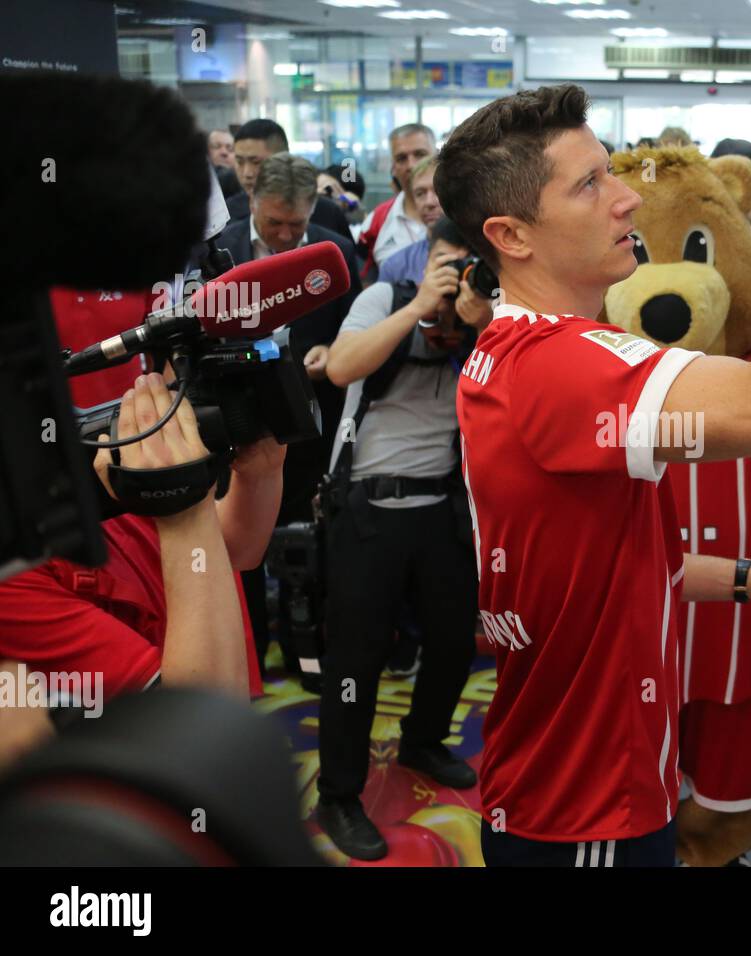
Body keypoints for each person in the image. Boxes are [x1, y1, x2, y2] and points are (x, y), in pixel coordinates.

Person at [434, 67, 751, 866]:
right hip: (587, 814)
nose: (625, 197)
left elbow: (602, 564)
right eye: (590, 185)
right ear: (512, 236)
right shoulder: (562, 366)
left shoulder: (509, 350)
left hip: (563, 791)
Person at [313, 216, 491, 860]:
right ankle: (338, 792)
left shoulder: (488, 318)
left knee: (451, 641)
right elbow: (339, 368)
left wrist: (482, 318)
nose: (455, 277)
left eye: (470, 265)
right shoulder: (385, 296)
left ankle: (423, 739)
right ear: (423, 258)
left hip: (444, 506)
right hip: (369, 506)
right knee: (355, 660)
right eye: (448, 262)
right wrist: (418, 303)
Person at [0, 373, 281, 702]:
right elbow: (199, 719)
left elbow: (234, 550)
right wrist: (185, 510)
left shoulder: (59, 481)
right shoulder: (12, 576)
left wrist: (260, 473)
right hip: (162, 742)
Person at [216, 153, 361, 671]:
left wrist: (336, 353)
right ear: (252, 201)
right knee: (239, 541)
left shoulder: (334, 253)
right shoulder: (219, 250)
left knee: (306, 541)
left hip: (311, 421)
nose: (283, 235)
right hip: (238, 421)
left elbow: (357, 329)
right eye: (273, 222)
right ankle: (249, 650)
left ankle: (309, 654)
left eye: (295, 224)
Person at [226, 119, 353, 239]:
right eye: (239, 161)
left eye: (256, 162)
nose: (247, 173)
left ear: (284, 157)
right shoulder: (227, 214)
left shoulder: (326, 212)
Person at [356, 123, 437, 281]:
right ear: (393, 167)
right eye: (401, 158)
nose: (411, 165)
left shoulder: (465, 214)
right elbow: (367, 286)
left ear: (438, 156)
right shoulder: (375, 223)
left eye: (420, 154)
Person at [376, 156, 444, 287]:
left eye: (438, 190)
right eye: (420, 193)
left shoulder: (486, 255)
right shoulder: (394, 267)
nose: (429, 202)